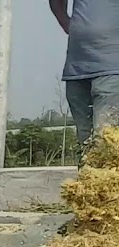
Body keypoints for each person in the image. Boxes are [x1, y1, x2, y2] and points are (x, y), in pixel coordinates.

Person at [51, 0, 119, 151]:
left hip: (112, 69)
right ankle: (88, 174)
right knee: (85, 141)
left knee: (106, 138)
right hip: (77, 69)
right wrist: (66, 22)